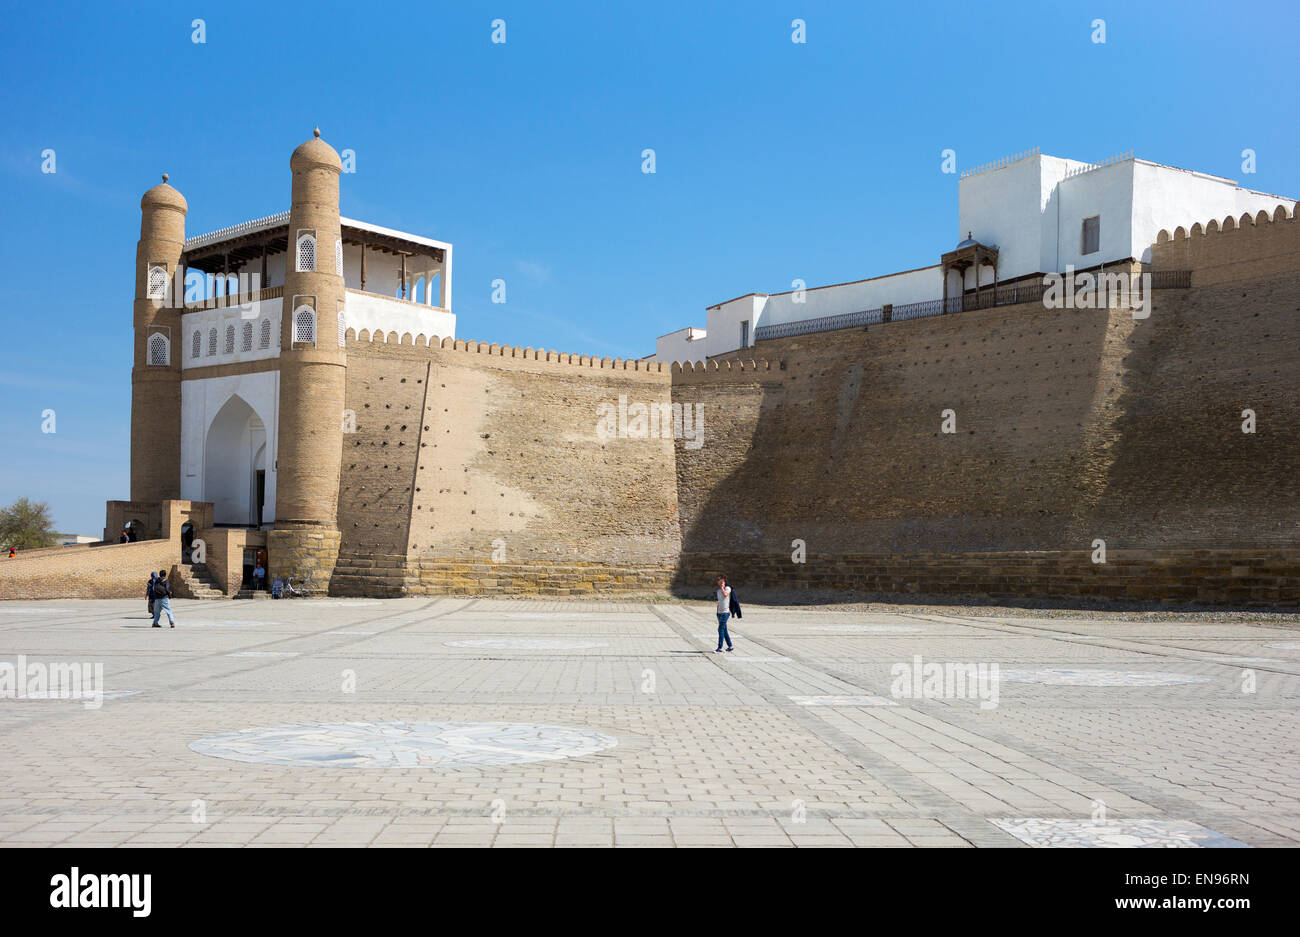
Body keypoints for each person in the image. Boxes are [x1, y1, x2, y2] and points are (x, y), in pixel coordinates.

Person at [714, 574, 734, 653]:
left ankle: (720, 647)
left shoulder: (727, 588)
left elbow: (725, 594)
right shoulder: (718, 591)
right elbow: (719, 601)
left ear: (724, 581)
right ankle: (730, 646)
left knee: (720, 629)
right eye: (718, 580)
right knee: (724, 630)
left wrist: (722, 587)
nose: (720, 581)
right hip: (719, 613)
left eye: (721, 580)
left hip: (725, 612)